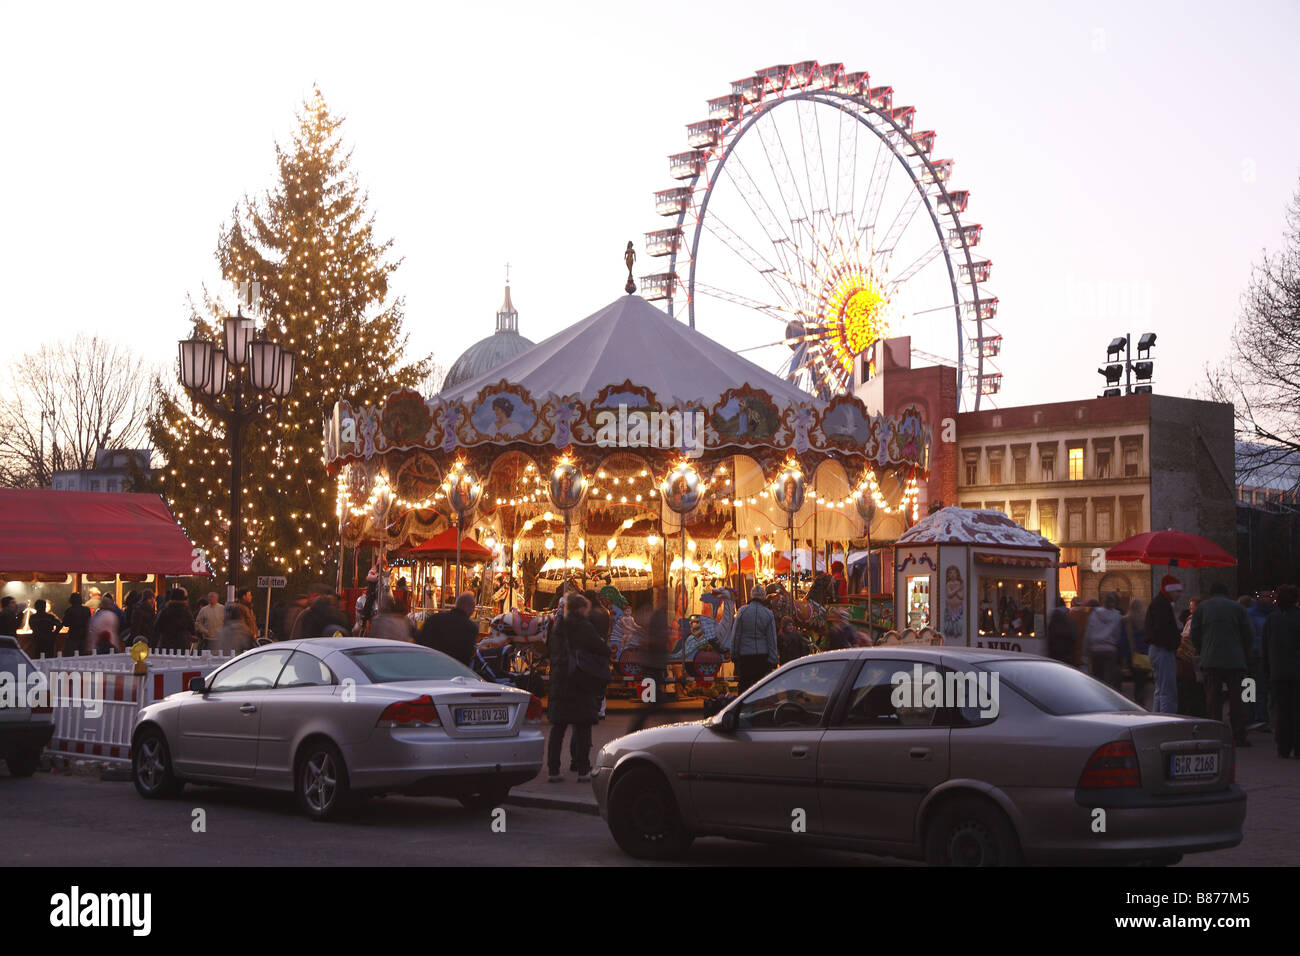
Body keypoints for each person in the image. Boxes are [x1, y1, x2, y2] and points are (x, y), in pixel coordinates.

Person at [545, 592, 606, 783]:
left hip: (559, 680)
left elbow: (550, 650)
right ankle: (582, 769)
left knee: (558, 728)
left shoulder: (556, 627)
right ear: (581, 608)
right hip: (580, 680)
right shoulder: (584, 627)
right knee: (582, 727)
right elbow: (600, 648)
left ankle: (553, 770)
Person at [1191, 581, 1255, 746]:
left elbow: (1194, 635)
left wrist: (1203, 649)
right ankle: (1239, 735)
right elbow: (1249, 634)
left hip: (1211, 660)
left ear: (1211, 593)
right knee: (1237, 701)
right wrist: (1243, 653)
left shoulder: (1202, 608)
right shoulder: (1238, 608)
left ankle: (1215, 735)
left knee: (1213, 700)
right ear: (1227, 593)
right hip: (1236, 661)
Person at [1263, 585, 1300, 759]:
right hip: (1296, 671)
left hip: (1278, 671)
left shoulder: (1272, 619)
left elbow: (1265, 646)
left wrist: (1267, 670)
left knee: (1281, 710)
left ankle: (1283, 746)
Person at [1144, 575, 1184, 713]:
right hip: (1163, 651)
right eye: (1177, 591)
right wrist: (1175, 642)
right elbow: (1163, 630)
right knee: (1168, 691)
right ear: (1169, 590)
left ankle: (1158, 717)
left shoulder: (1159, 603)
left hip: (1157, 650)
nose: (1179, 595)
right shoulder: (1162, 605)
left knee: (1160, 689)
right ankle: (1168, 721)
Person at [730, 584, 778, 693]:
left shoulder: (742, 612)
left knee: (744, 688)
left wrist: (734, 655)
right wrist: (773, 659)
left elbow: (736, 635)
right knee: (760, 688)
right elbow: (771, 639)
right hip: (762, 657)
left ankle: (743, 709)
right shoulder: (768, 614)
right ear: (764, 596)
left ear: (751, 595)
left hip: (745, 656)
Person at [416, 592, 478, 665]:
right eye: (473, 609)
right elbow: (466, 656)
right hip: (452, 670)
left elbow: (419, 640)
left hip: (428, 664)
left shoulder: (434, 618)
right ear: (468, 608)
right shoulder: (470, 627)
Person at [1083, 592, 1123, 689]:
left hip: (1095, 650)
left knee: (1097, 680)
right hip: (1110, 650)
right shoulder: (1117, 616)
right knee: (1108, 681)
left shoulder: (1094, 613)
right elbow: (1118, 634)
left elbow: (1088, 632)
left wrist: (1085, 652)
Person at [1245, 592, 1273, 731]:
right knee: (1253, 687)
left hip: (1259, 654)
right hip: (1255, 655)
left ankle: (1255, 717)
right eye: (1264, 596)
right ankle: (1254, 717)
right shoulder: (1252, 614)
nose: (1266, 599)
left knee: (1256, 687)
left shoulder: (1253, 613)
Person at [1124, 597, 1150, 707]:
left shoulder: (1127, 620)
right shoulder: (1146, 620)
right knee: (1143, 682)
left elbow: (1125, 639)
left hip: (1133, 655)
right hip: (1145, 655)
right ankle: (1141, 700)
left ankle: (1137, 700)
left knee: (1136, 681)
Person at [1047, 597, 1078, 664]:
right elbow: (1073, 632)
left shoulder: (1054, 614)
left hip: (1056, 649)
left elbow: (1051, 633)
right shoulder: (1069, 613)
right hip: (1067, 649)